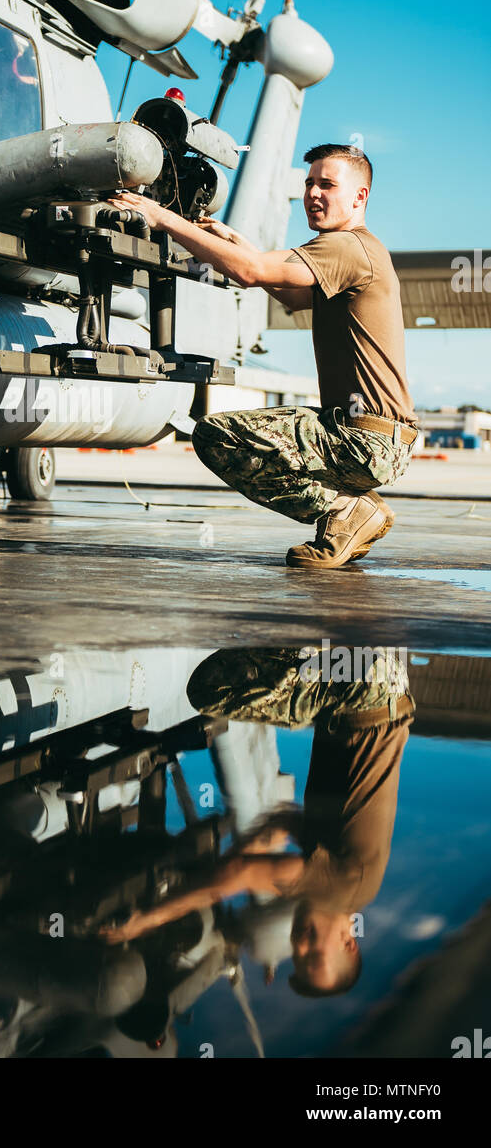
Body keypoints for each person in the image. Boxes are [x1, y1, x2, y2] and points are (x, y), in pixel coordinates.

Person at [107, 144, 417, 568]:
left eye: (327, 185)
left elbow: (249, 272)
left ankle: (344, 511)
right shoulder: (357, 251)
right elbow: (291, 294)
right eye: (309, 183)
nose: (313, 194)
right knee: (246, 436)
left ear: (359, 197)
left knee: (217, 436)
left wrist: (164, 219)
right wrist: (237, 241)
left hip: (363, 440)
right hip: (373, 437)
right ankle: (350, 510)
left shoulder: (346, 246)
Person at [101, 645, 414, 999]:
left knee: (251, 690)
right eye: (313, 955)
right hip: (361, 685)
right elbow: (240, 873)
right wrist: (150, 918)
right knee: (209, 691)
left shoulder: (353, 882)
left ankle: (305, 652)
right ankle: (300, 652)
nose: (298, 946)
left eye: (297, 958)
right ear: (348, 941)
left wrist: (246, 852)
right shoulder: (334, 892)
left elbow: (283, 822)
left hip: (380, 684)